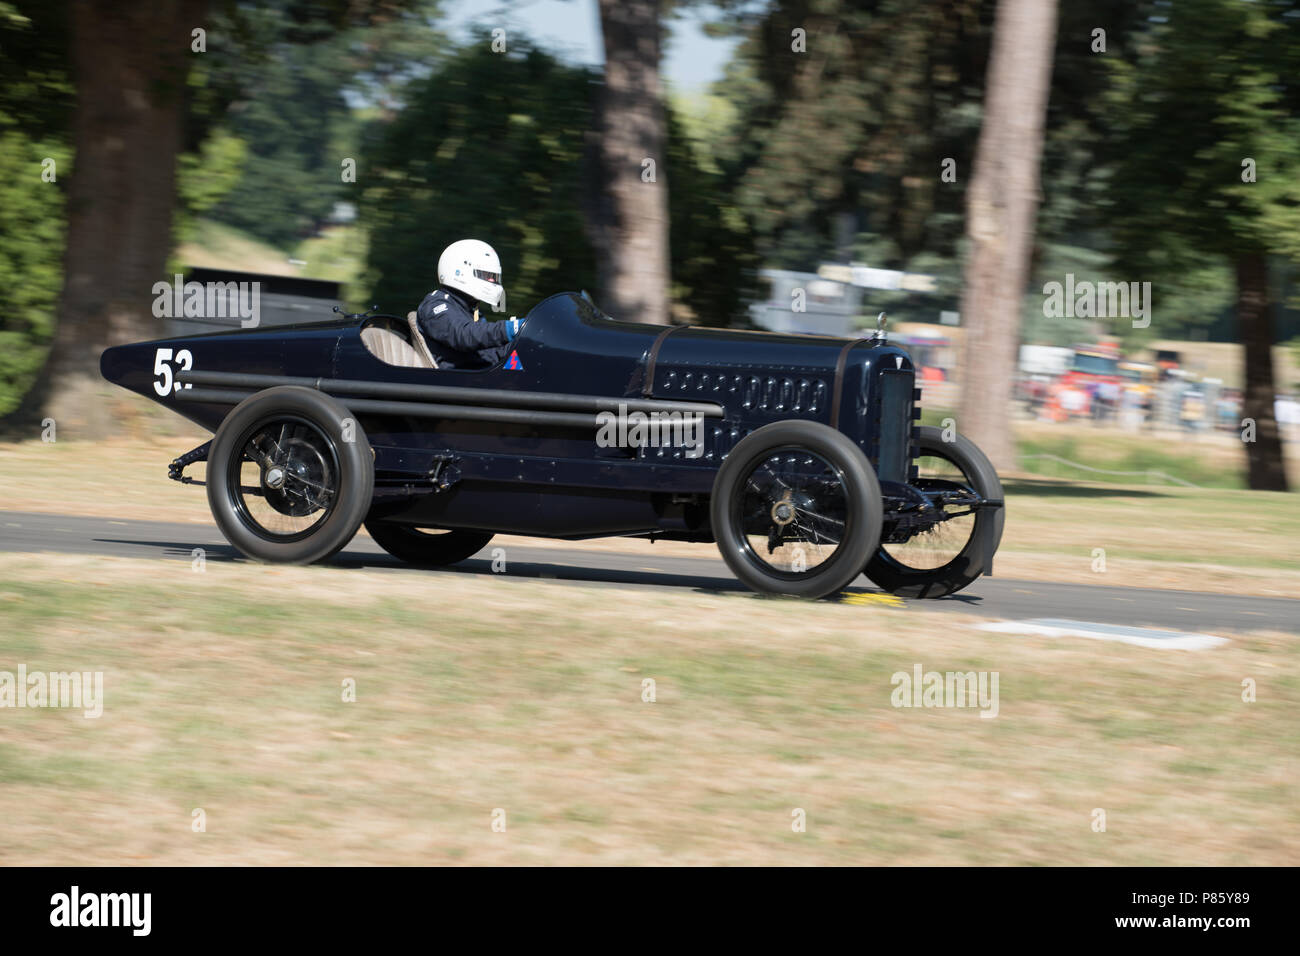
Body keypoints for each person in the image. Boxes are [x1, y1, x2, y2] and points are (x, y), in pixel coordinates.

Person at [416, 239, 521, 369]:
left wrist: (525, 341)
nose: (492, 281)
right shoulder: (435, 306)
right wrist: (511, 328)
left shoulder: (470, 310)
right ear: (460, 271)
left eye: (495, 277)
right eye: (487, 275)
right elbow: (464, 336)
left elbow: (487, 352)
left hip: (481, 379)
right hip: (456, 383)